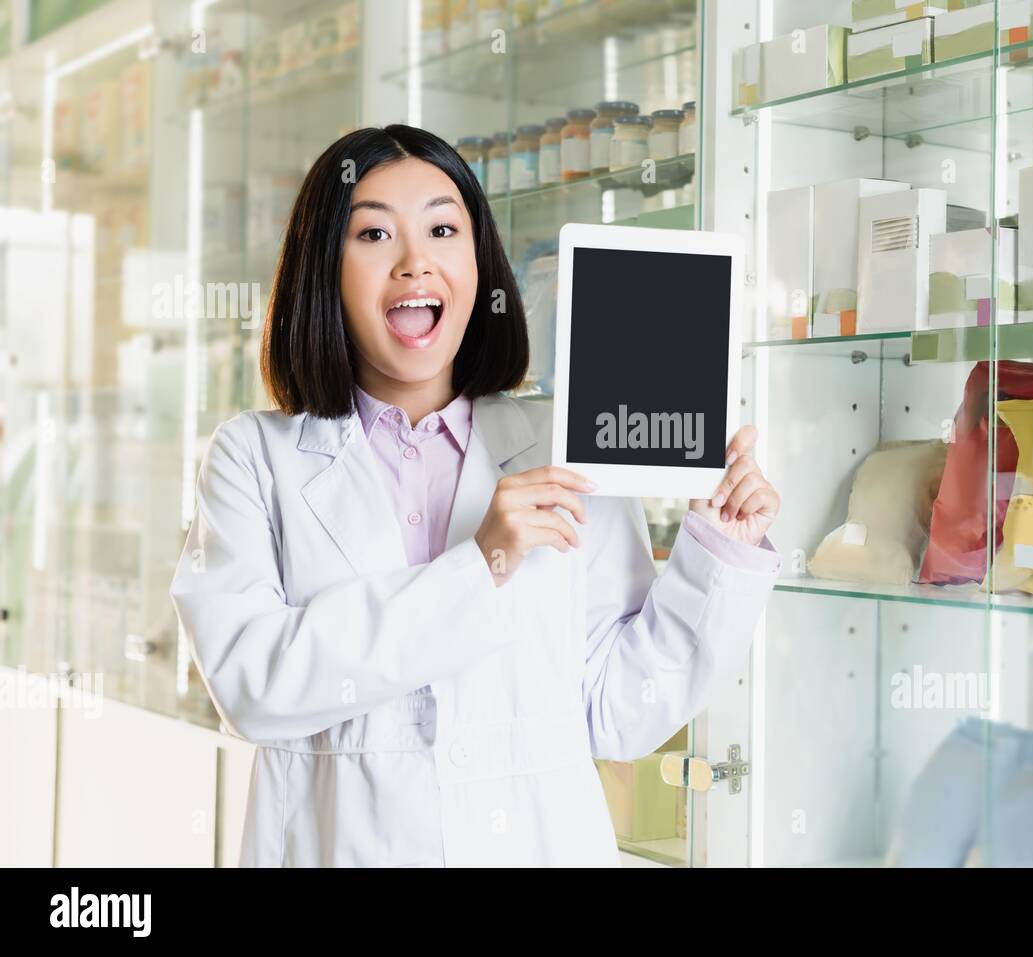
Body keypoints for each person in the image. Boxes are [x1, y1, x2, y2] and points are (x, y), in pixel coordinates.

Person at [169, 124, 782, 867]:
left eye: (442, 228)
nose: (414, 261)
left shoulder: (563, 446)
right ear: (321, 270)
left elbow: (615, 710)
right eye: (372, 234)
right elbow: (252, 683)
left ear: (479, 263)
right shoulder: (254, 458)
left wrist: (718, 550)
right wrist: (481, 562)